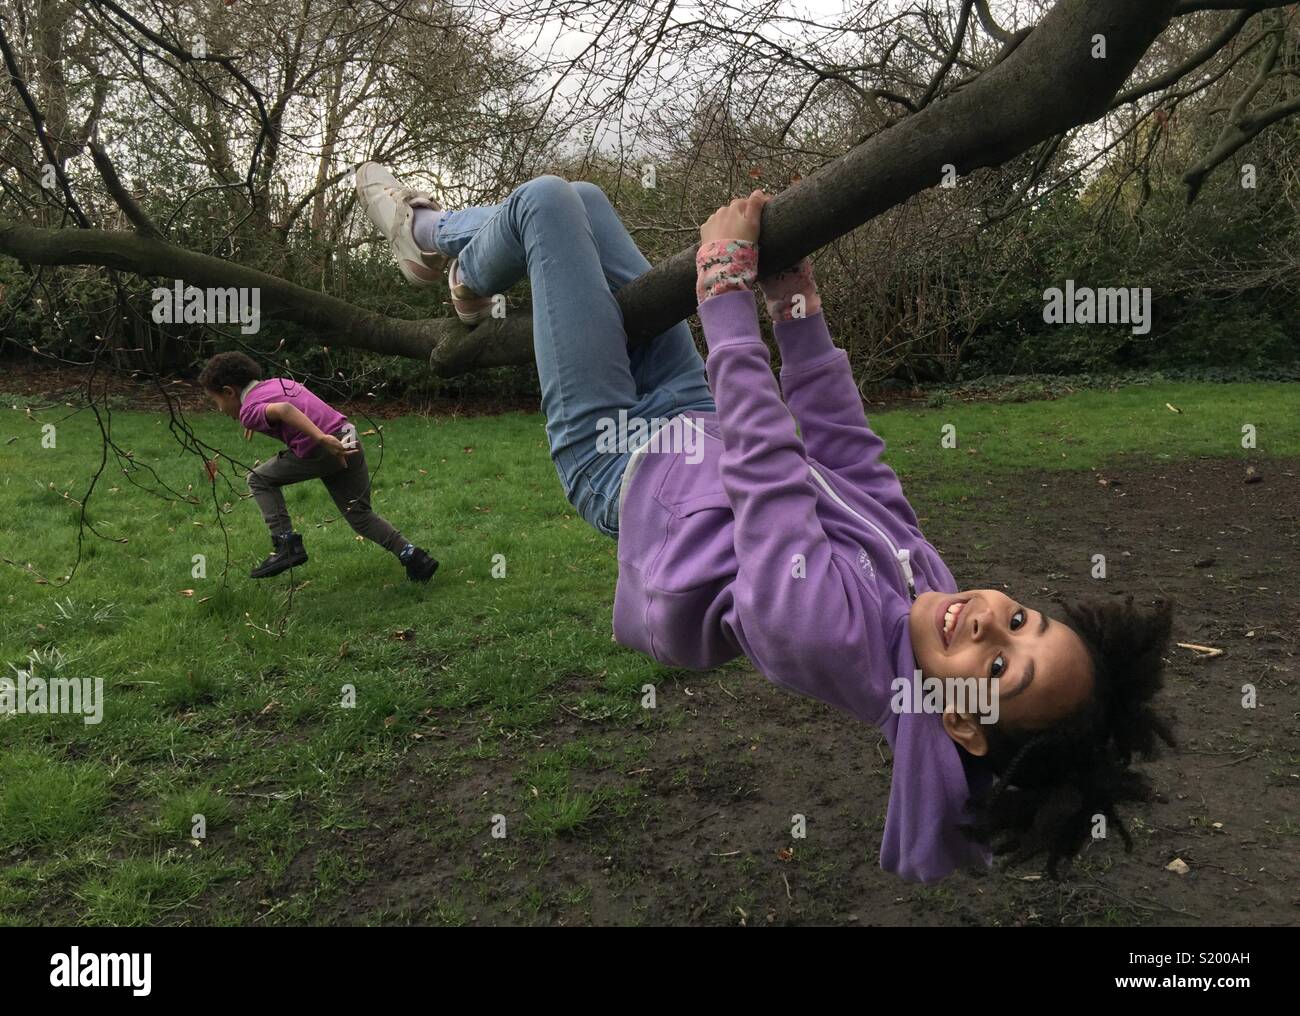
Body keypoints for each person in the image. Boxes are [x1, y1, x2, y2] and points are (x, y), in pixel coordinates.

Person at [355, 167, 1175, 882]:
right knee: (586, 199)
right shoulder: (932, 592)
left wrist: (724, 293)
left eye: (998, 667)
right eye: (1025, 619)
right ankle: (466, 270)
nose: (993, 620)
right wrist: (797, 308)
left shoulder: (829, 641)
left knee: (541, 204)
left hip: (617, 457)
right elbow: (851, 458)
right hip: (694, 416)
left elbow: (770, 479)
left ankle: (427, 235)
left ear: (956, 717)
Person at [199, 350, 439, 583]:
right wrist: (258, 418)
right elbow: (290, 403)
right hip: (347, 437)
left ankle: (286, 544)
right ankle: (415, 557)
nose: (219, 409)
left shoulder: (250, 410)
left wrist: (321, 438)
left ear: (229, 392)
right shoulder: (276, 383)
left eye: (216, 400)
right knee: (360, 514)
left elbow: (284, 409)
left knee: (258, 479)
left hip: (324, 448)